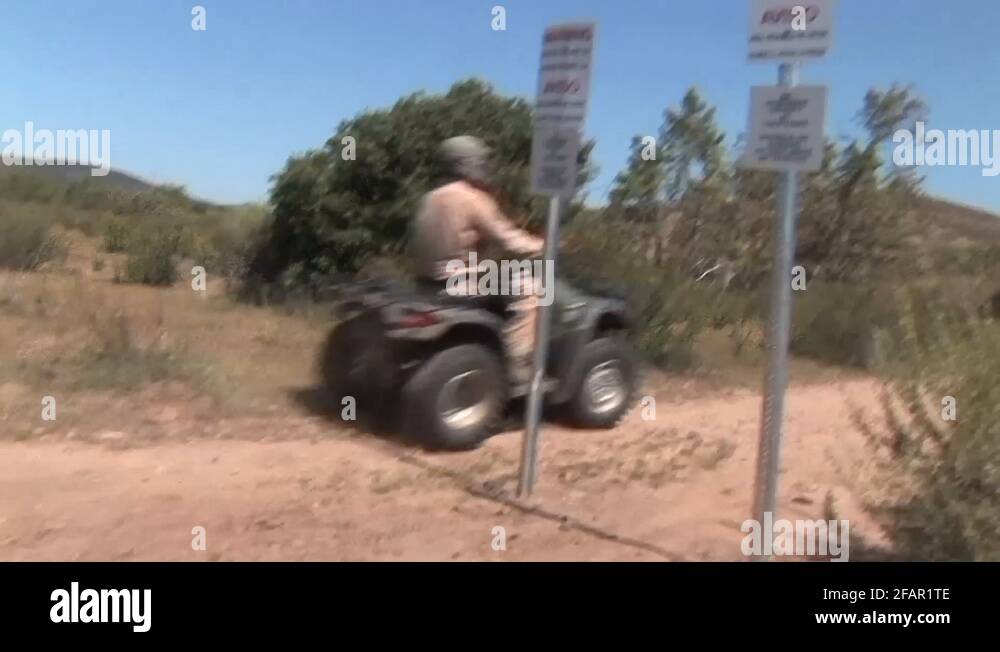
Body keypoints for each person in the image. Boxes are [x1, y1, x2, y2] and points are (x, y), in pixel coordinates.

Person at [411, 135, 544, 384]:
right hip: (460, 285)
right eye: (481, 160)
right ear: (468, 163)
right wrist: (543, 246)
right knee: (532, 290)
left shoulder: (429, 198)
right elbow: (508, 239)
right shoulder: (473, 198)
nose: (485, 165)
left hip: (425, 283)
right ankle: (516, 364)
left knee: (501, 279)